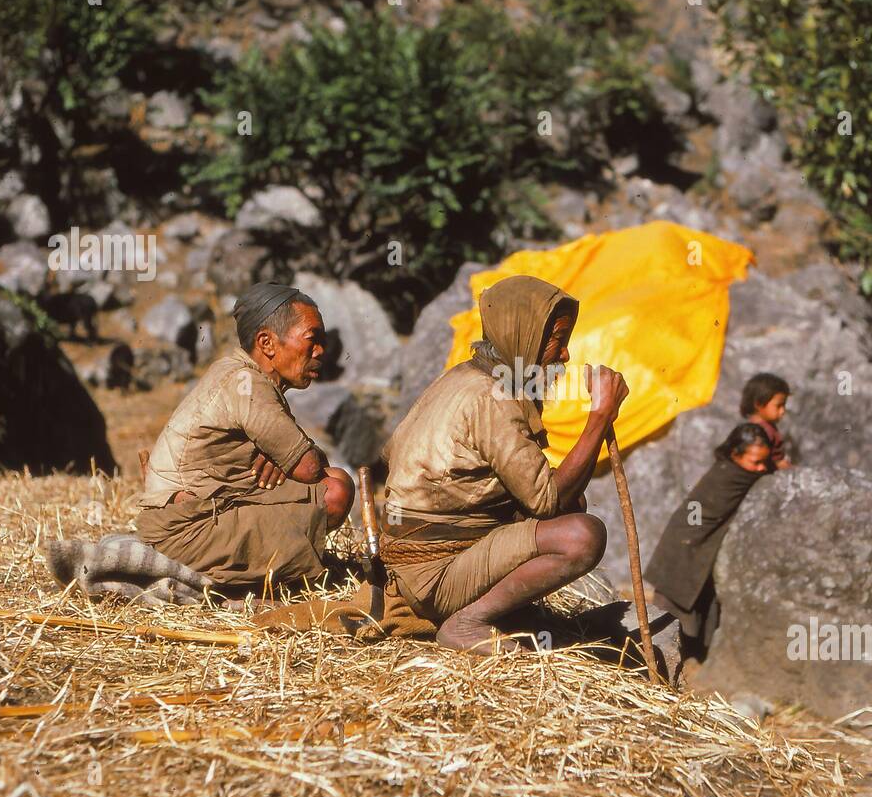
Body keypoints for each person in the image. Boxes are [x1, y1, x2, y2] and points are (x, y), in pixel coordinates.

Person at [379, 274, 629, 654]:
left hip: (428, 553)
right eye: (556, 340)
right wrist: (600, 417)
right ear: (523, 336)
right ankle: (467, 623)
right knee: (582, 535)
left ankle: (501, 612)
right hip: (432, 572)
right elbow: (545, 501)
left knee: (572, 502)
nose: (565, 355)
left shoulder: (466, 376)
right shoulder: (493, 398)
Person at [134, 282, 354, 595]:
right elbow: (308, 468)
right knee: (336, 490)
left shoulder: (240, 374)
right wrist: (290, 459)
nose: (320, 351)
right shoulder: (246, 383)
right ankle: (256, 580)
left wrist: (285, 459)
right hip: (184, 529)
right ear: (267, 342)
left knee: (331, 480)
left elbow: (302, 462)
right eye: (311, 339)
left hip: (197, 513)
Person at [644, 423, 773, 667]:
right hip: (686, 548)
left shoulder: (732, 470)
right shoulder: (733, 476)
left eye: (763, 463)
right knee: (669, 618)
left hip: (691, 546)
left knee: (695, 611)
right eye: (755, 462)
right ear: (735, 455)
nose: (761, 469)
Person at [740, 372, 792, 470]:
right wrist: (779, 465)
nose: (783, 411)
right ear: (759, 404)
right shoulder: (762, 432)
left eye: (784, 405)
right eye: (779, 406)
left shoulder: (765, 427)